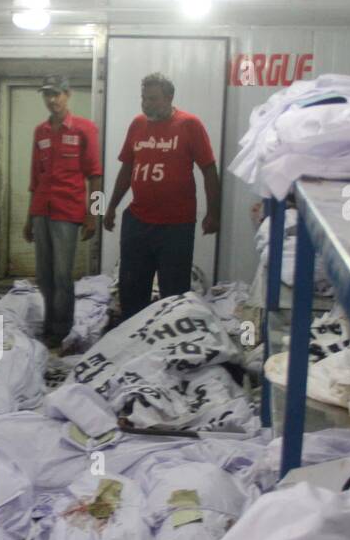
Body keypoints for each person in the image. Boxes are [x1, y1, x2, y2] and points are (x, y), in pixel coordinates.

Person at [104, 72, 220, 320]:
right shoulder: (137, 124)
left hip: (176, 225)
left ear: (169, 98)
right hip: (138, 221)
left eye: (153, 99)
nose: (146, 104)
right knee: (131, 288)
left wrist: (214, 212)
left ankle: (169, 345)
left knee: (174, 293)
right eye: (143, 99)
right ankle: (133, 339)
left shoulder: (189, 125)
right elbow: (127, 168)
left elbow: (209, 169)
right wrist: (111, 206)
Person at [24, 75, 102, 349]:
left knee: (62, 275)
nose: (52, 100)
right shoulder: (40, 131)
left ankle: (61, 329)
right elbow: (35, 178)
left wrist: (94, 214)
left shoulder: (85, 129)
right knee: (44, 276)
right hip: (42, 211)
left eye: (56, 94)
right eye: (47, 94)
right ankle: (49, 325)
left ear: (68, 95)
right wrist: (28, 218)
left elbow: (96, 175)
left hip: (68, 212)